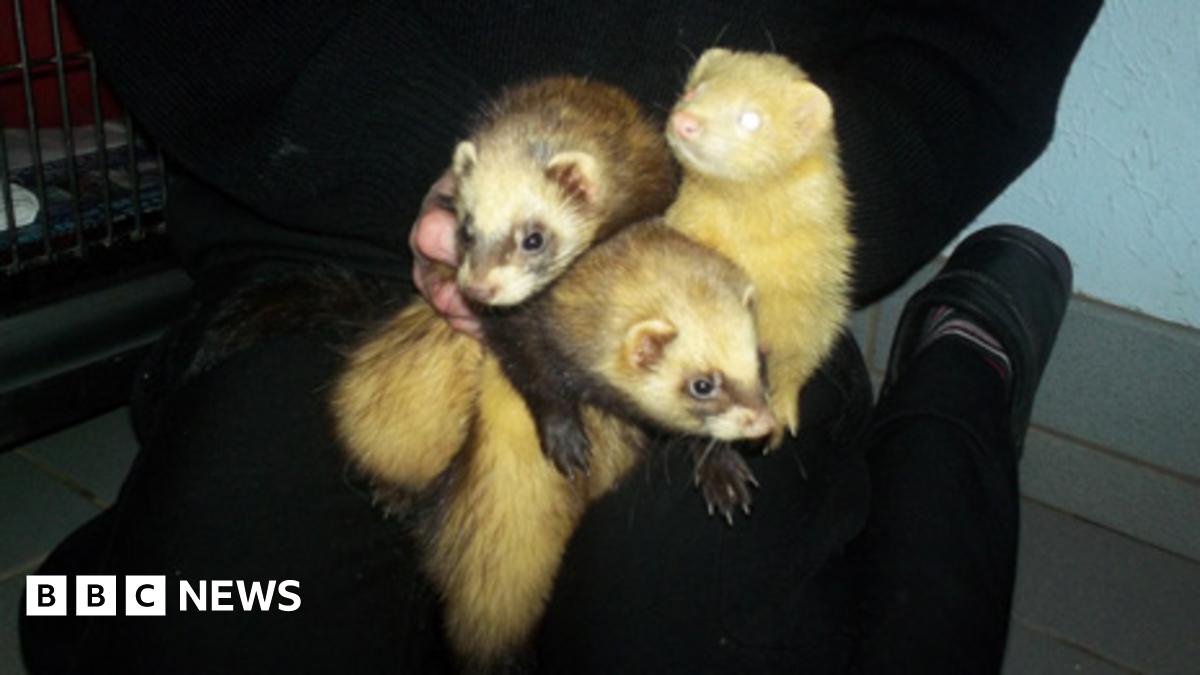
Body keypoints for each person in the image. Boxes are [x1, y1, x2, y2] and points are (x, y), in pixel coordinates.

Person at [21, 1, 1102, 673]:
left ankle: (961, 371)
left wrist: (760, 192)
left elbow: (978, 45)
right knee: (216, 613)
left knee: (691, 616)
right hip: (323, 230)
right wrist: (449, 152)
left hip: (722, 244)